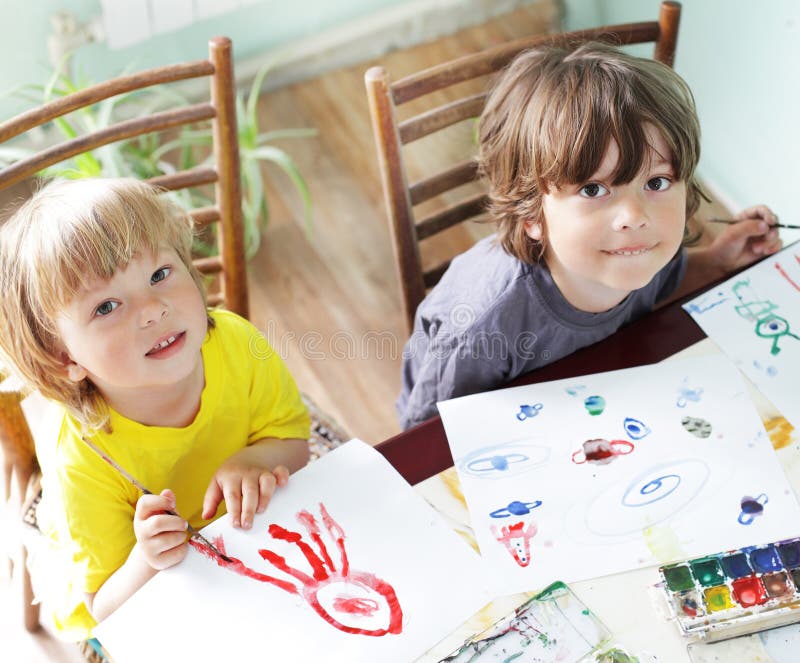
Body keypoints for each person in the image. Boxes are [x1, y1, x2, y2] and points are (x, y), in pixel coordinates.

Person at [397, 42, 781, 430]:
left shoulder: (636, 251)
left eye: (657, 181)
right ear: (531, 213)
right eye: (594, 189)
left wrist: (718, 261)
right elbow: (426, 437)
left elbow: (669, 281)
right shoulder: (484, 324)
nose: (634, 216)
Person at [0, 178, 311, 639]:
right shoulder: (82, 459)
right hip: (162, 586)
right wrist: (145, 559)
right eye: (106, 306)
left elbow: (296, 444)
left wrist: (257, 459)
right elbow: (105, 605)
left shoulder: (237, 342)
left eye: (160, 274)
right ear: (65, 358)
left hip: (252, 539)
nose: (152, 309)